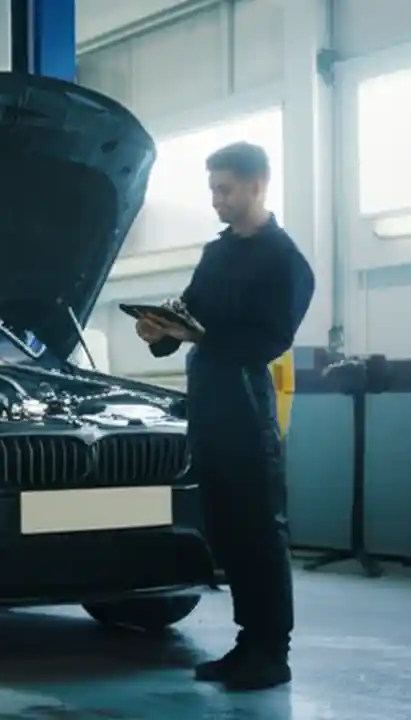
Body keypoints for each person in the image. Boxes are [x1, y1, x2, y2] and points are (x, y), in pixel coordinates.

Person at [135, 141, 314, 691]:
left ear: (257, 185)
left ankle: (272, 651)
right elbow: (192, 314)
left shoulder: (285, 262)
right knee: (229, 532)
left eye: (225, 189)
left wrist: (200, 335)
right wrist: (159, 333)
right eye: (212, 189)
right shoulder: (216, 255)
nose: (215, 199)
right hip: (208, 405)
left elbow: (268, 341)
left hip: (247, 405)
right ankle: (247, 643)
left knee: (260, 531)